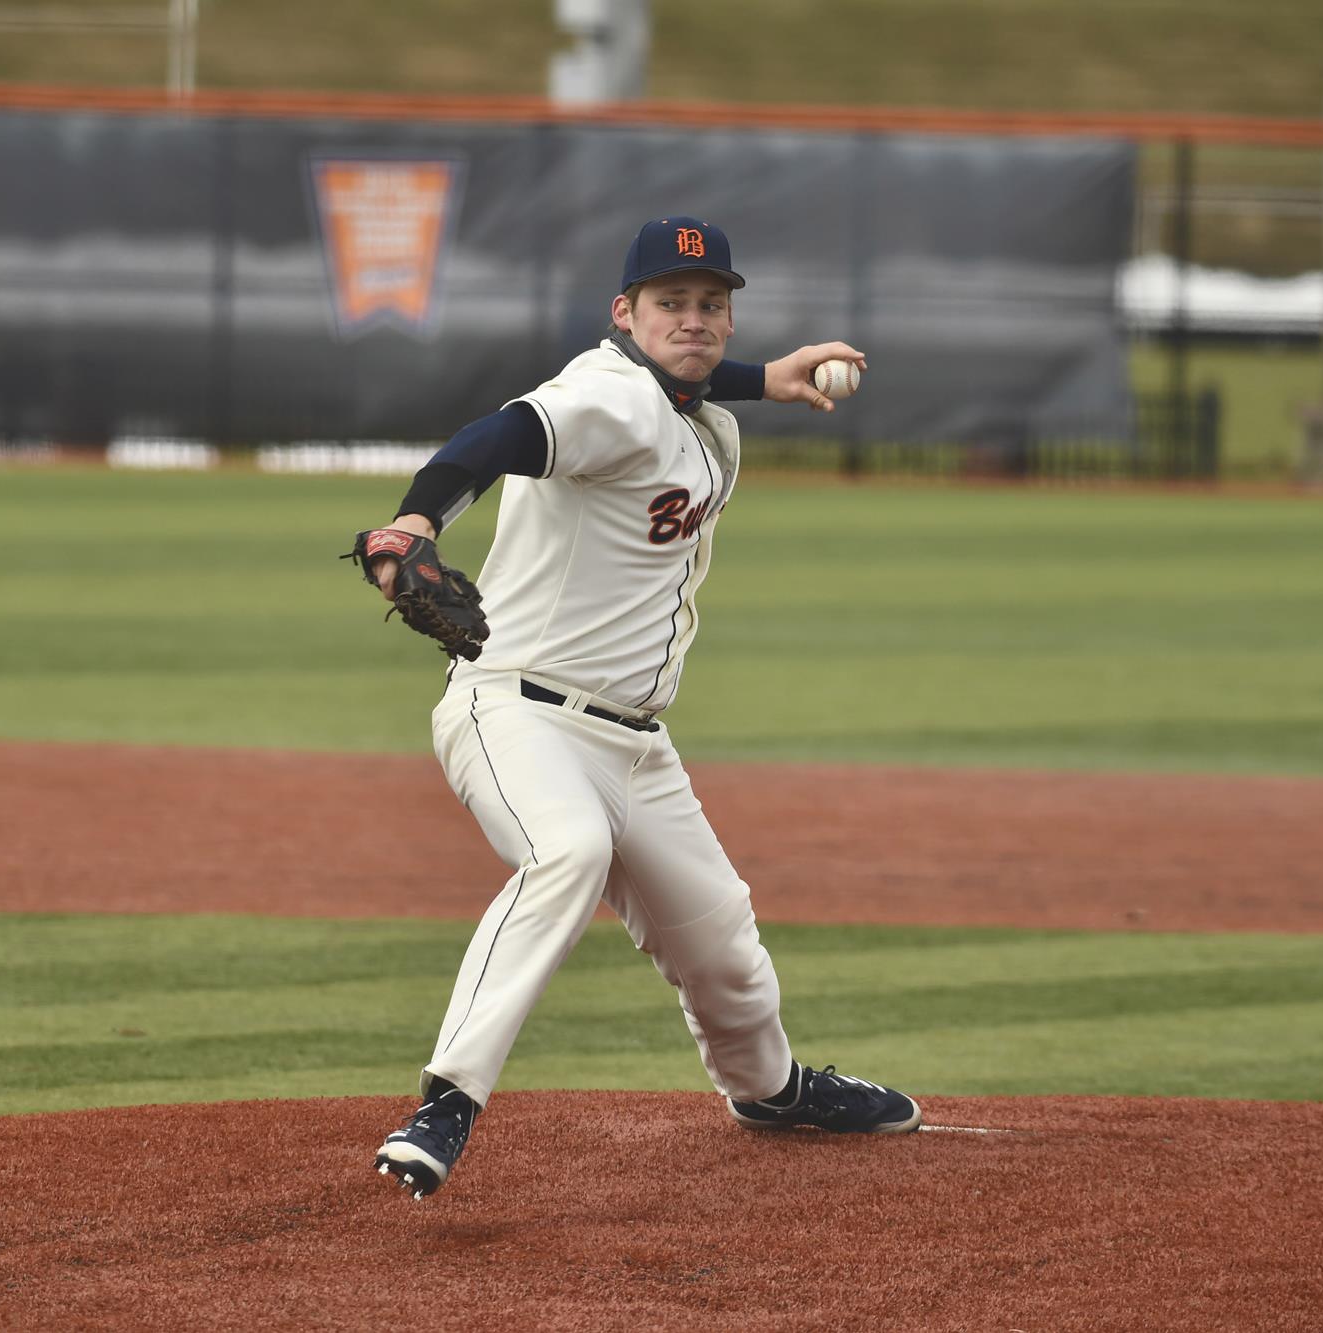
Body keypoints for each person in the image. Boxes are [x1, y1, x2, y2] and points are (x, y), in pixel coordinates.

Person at [361, 216, 920, 1202]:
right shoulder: (605, 396)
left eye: (710, 304)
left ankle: (771, 1091)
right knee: (565, 849)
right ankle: (446, 1101)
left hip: (634, 746)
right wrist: (415, 518)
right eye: (670, 303)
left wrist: (768, 374)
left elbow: (687, 387)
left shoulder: (692, 408)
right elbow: (505, 435)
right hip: (517, 713)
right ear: (625, 314)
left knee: (724, 947)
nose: (693, 319)